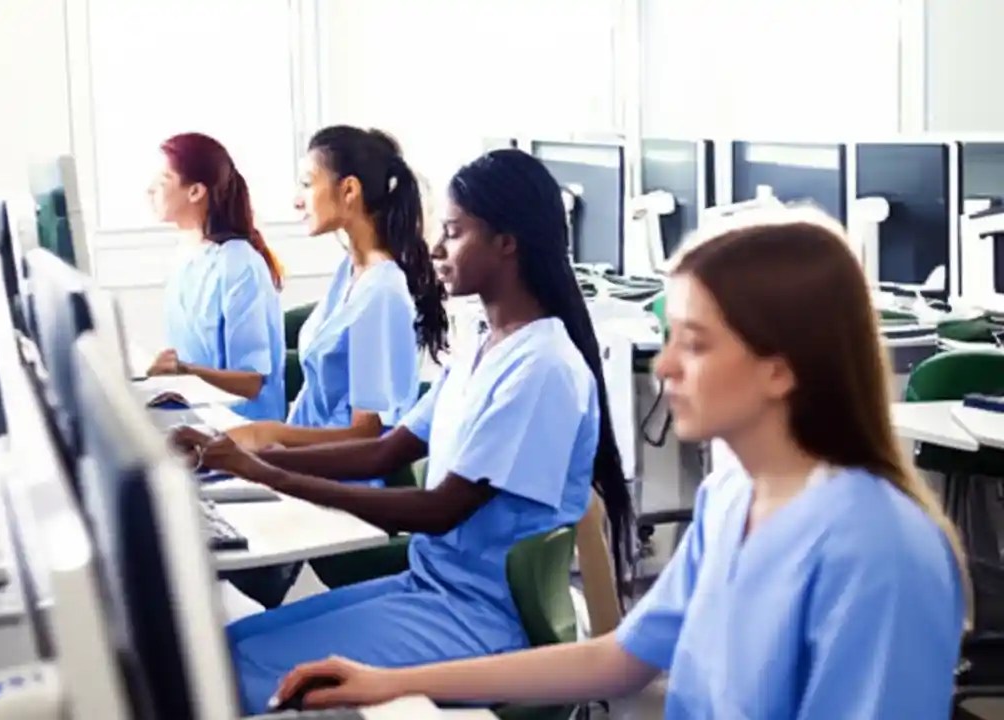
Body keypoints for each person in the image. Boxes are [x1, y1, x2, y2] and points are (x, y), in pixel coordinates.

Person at [269, 206, 970, 719]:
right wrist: (387, 682)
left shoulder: (882, 549)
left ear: (779, 369)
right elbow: (620, 657)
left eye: (693, 343)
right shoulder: (732, 500)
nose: (662, 366)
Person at [172, 148, 634, 715]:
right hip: (432, 589)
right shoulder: (483, 346)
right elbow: (383, 452)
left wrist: (267, 472)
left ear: (506, 243)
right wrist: (236, 455)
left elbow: (435, 511)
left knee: (240, 674)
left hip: (482, 622)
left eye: (455, 232)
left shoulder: (542, 369)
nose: (436, 248)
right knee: (225, 648)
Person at [222, 125, 447, 457]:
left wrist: (267, 433)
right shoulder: (349, 271)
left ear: (349, 190)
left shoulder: (383, 292)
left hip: (339, 481)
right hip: (299, 463)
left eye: (307, 184)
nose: (297, 201)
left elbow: (368, 435)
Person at [146, 132, 286, 421]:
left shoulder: (239, 265)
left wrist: (186, 371)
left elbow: (251, 383)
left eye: (162, 181)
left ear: (196, 191)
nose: (150, 190)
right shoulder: (185, 257)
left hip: (242, 435)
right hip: (199, 420)